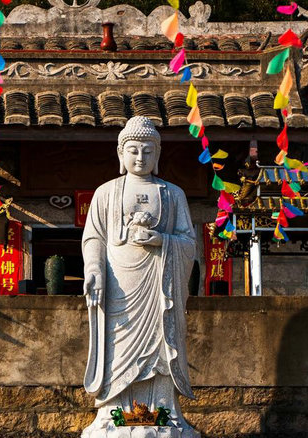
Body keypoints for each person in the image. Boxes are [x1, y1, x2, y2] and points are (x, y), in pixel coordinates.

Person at [81, 116, 199, 437]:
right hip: (119, 288)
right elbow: (94, 238)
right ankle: (112, 413)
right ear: (120, 154)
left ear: (157, 155)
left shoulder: (173, 194)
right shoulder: (105, 193)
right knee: (117, 348)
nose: (140, 158)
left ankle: (163, 412)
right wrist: (93, 270)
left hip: (161, 285)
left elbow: (188, 242)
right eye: (133, 150)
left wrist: (162, 240)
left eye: (147, 151)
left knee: (162, 346)